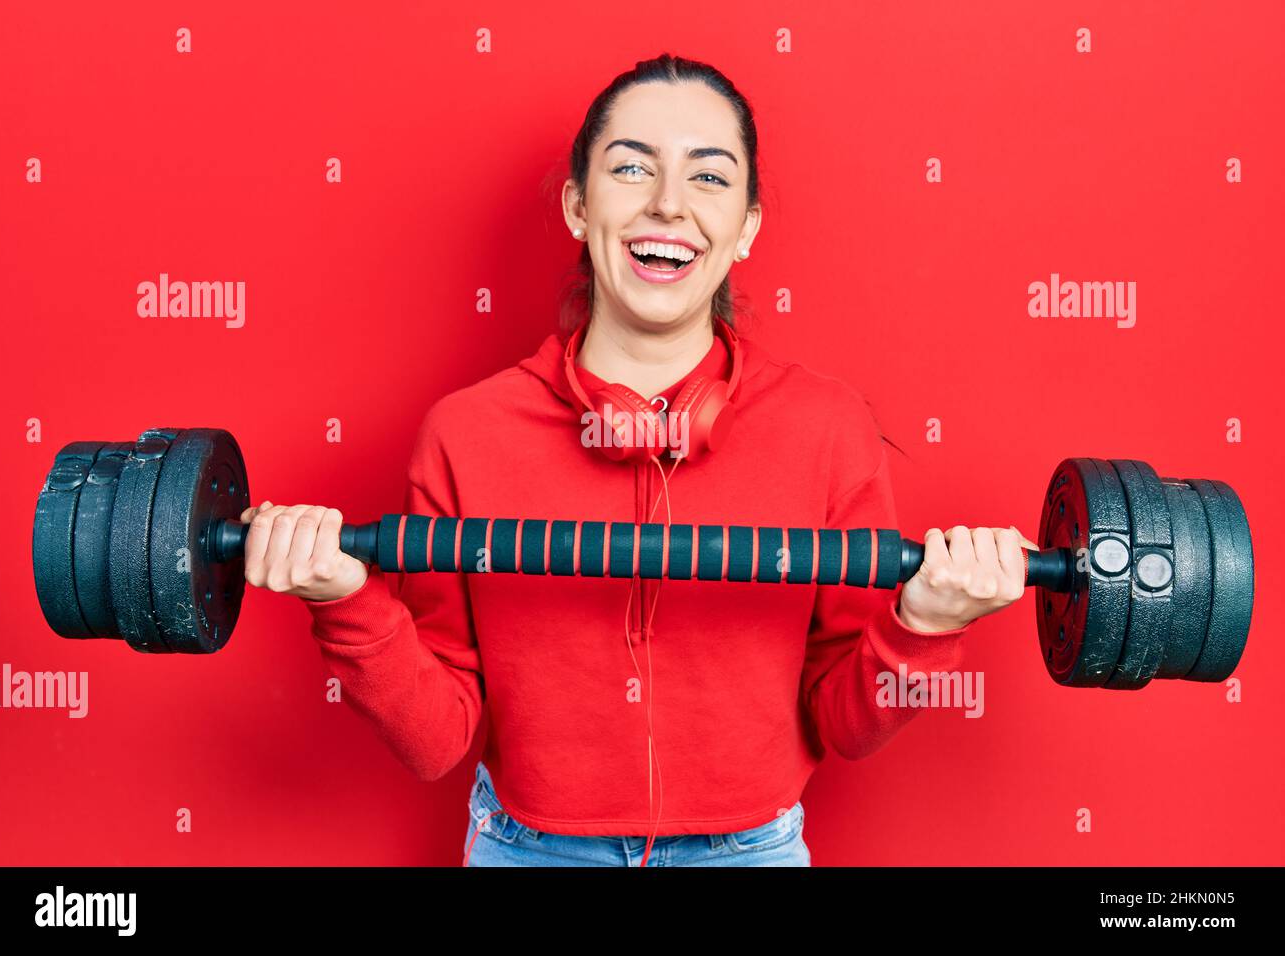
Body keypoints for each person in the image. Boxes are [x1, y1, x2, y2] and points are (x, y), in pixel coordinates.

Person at [239, 53, 1034, 867]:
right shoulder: (466, 432)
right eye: (631, 168)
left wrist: (926, 625)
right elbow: (436, 740)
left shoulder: (826, 428)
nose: (668, 203)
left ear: (747, 227)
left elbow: (847, 726)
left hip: (750, 853)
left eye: (709, 177)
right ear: (578, 206)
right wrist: (343, 600)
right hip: (526, 851)